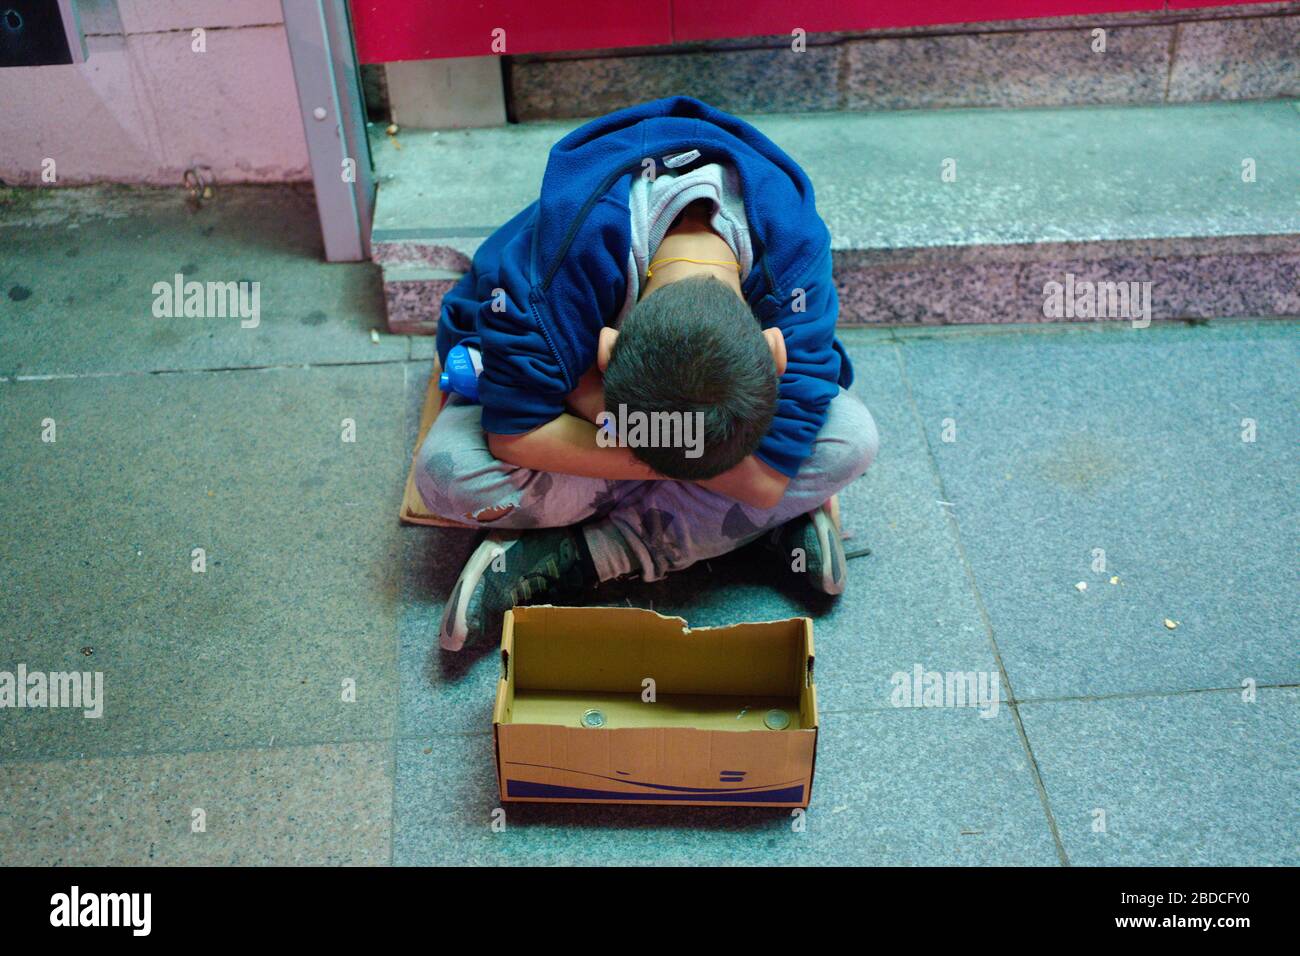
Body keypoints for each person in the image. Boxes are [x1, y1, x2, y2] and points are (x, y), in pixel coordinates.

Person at [417, 97, 879, 650]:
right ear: (604, 348)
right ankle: (748, 529)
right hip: (594, 402)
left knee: (852, 440)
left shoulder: (795, 267)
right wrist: (704, 454)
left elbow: (766, 479)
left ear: (771, 346)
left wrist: (592, 399)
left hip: (601, 420)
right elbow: (514, 434)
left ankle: (593, 555)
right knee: (446, 475)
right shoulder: (551, 283)